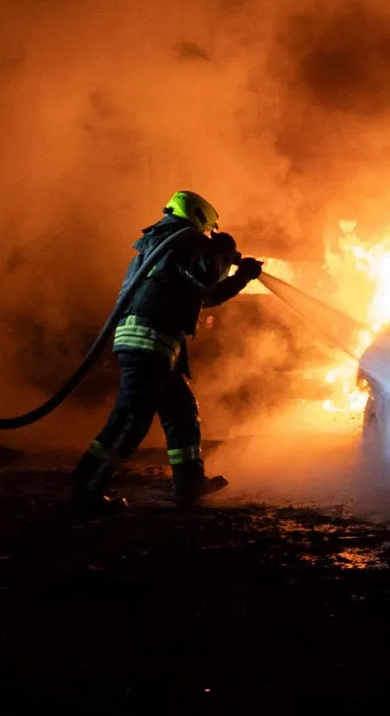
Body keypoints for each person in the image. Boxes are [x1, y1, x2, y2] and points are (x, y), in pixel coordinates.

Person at [71, 190, 262, 510]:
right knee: (131, 420)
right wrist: (225, 247)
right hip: (149, 341)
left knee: (182, 413)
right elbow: (208, 273)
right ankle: (87, 488)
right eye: (208, 230)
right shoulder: (183, 239)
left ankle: (189, 483)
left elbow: (204, 295)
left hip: (154, 344)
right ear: (199, 218)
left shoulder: (166, 245)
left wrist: (242, 277)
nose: (208, 236)